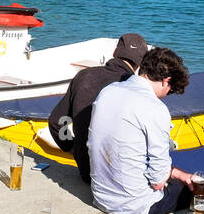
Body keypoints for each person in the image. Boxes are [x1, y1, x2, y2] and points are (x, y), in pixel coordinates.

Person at [87, 46, 195, 214]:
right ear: (166, 81)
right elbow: (158, 181)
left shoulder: (108, 91)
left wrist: (175, 172)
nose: (166, 95)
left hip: (101, 197)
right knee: (199, 188)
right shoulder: (155, 108)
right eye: (170, 90)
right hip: (134, 205)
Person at [48, 33, 147, 182]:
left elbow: (57, 121)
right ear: (140, 64)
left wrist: (73, 148)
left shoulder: (84, 76)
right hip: (116, 177)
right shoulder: (133, 86)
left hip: (86, 172)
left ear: (115, 52)